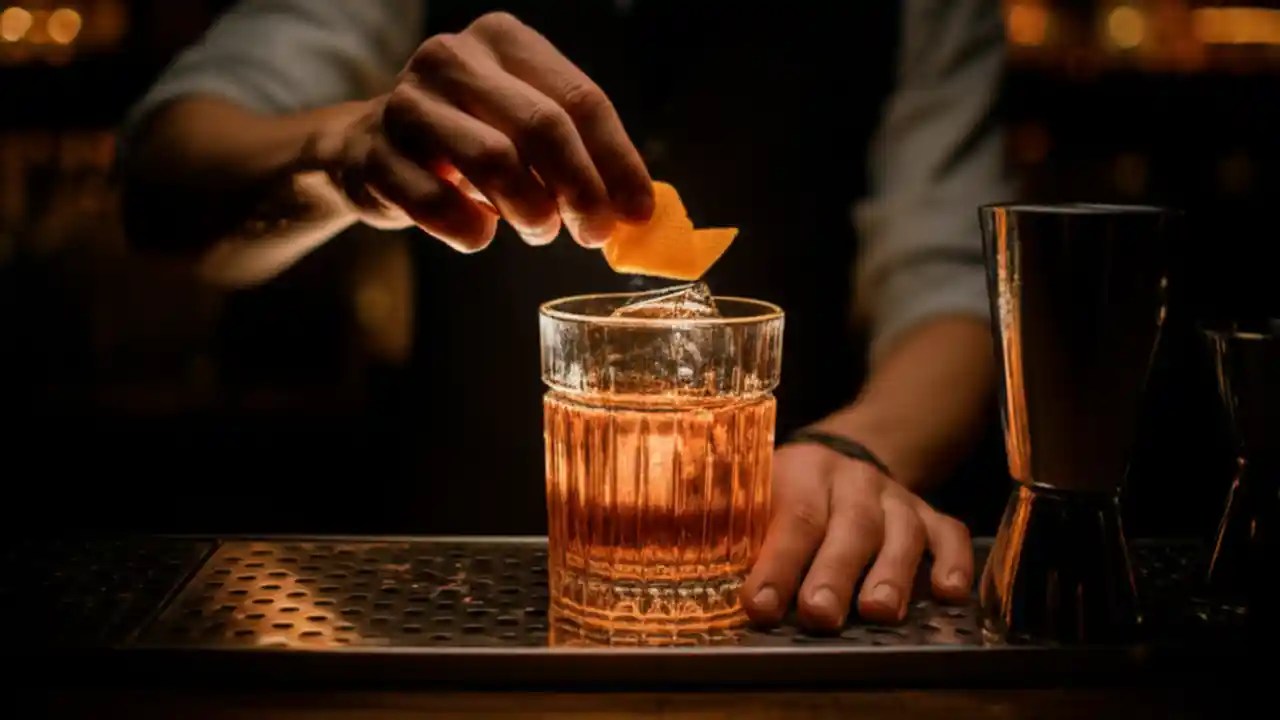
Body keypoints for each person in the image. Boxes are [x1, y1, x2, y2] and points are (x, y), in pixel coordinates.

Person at [117, 0, 1010, 632]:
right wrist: (340, 149)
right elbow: (160, 181)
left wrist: (857, 449)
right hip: (445, 590)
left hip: (773, 598)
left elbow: (955, 278)